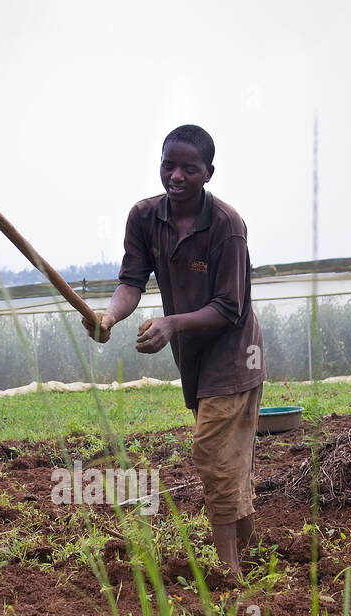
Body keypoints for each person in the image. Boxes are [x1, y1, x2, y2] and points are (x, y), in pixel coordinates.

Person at [84, 124, 265, 578]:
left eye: (190, 168)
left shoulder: (227, 226)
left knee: (211, 453)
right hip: (194, 358)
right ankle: (253, 548)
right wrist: (109, 317)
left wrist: (170, 323)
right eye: (169, 165)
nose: (177, 175)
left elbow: (229, 307)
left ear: (208, 173)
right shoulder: (145, 218)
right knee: (227, 455)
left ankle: (230, 570)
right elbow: (131, 283)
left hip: (235, 352)